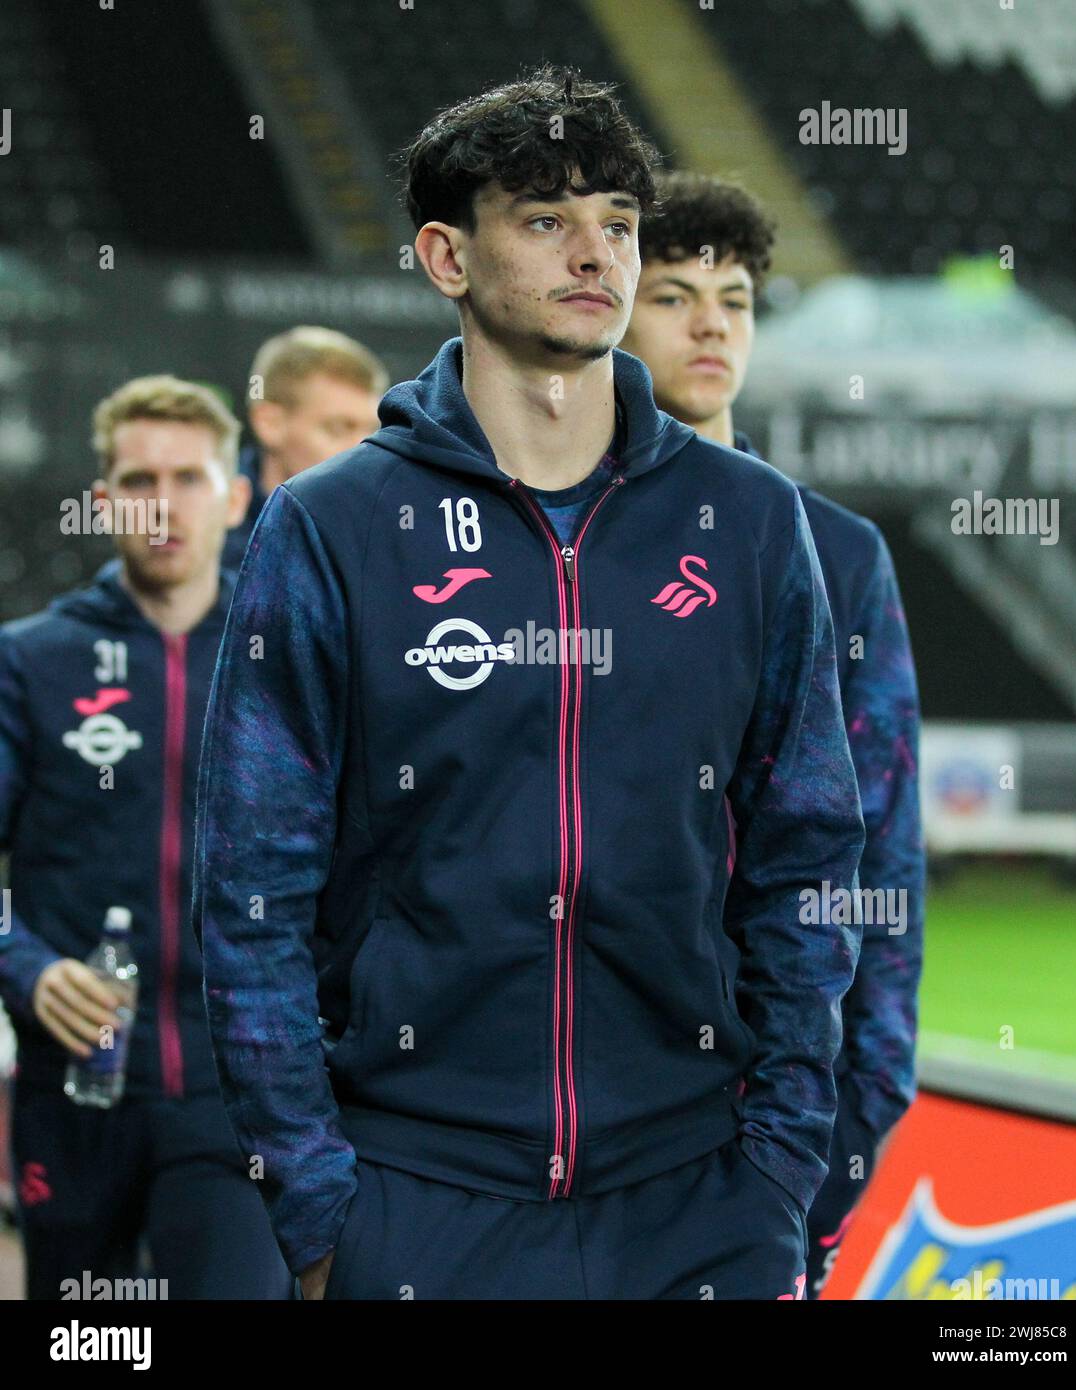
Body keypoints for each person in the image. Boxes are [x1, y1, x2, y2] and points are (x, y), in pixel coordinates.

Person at [194, 66, 865, 1301]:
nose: (595, 250)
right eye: (545, 218)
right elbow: (251, 886)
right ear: (446, 257)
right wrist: (317, 1199)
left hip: (699, 1190)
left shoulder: (753, 521)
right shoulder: (333, 526)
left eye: (616, 219)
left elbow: (809, 849)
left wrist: (778, 1163)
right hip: (416, 1192)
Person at [621, 170, 925, 1296]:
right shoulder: (550, 545)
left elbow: (879, 859)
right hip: (574, 1115)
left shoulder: (839, 556)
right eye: (675, 293)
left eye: (736, 297)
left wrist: (843, 1130)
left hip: (764, 1119)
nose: (711, 322)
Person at [0, 376, 290, 1299]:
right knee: (88, 1344)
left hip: (235, 1092)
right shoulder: (32, 660)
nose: (161, 504)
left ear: (235, 494)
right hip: (73, 1091)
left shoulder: (285, 656)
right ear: (101, 499)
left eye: (188, 477)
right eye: (136, 480)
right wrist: (29, 969)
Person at [222, 326, 389, 570]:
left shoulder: (394, 527)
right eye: (339, 428)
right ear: (270, 424)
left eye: (373, 431)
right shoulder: (207, 533)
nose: (365, 450)